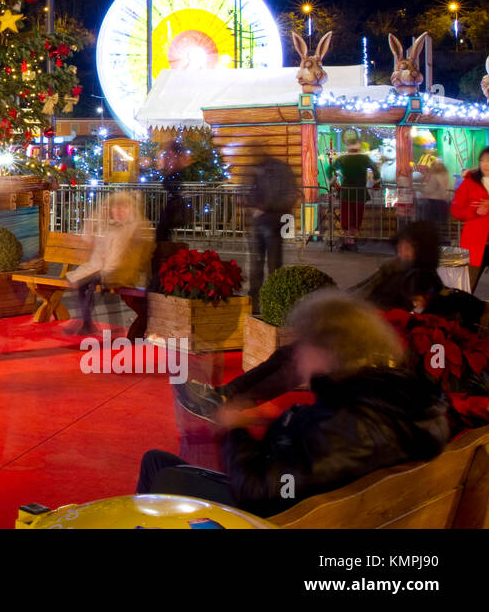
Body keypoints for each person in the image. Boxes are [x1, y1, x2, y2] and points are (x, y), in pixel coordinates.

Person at [140, 292, 449, 517]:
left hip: (273, 519)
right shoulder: (400, 403)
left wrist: (235, 430)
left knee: (159, 467)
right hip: (336, 514)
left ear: (329, 350)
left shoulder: (341, 422)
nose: (297, 354)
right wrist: (279, 424)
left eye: (304, 344)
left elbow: (256, 493)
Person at [178, 221, 446, 418]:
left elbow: (414, 321)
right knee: (285, 354)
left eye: (408, 246)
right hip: (351, 333)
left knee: (296, 364)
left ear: (421, 249)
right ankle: (223, 394)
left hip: (367, 347)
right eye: (402, 243)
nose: (402, 249)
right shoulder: (391, 270)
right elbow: (359, 296)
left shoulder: (420, 278)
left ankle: (230, 405)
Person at [61, 191, 154, 337]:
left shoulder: (137, 226)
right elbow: (88, 238)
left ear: (131, 209)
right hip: (104, 269)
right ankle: (85, 322)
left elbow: (138, 254)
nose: (118, 211)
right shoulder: (110, 227)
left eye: (123, 208)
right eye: (115, 208)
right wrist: (98, 215)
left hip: (124, 271)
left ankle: (82, 321)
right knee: (80, 283)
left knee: (90, 284)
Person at [244, 148, 299, 312]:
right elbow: (250, 192)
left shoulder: (278, 169)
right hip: (260, 221)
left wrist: (267, 206)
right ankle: (256, 301)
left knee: (273, 264)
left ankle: (274, 300)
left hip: (273, 222)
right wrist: (251, 202)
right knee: (257, 264)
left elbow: (289, 196)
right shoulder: (257, 169)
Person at [451, 146, 489, 291]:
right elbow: (456, 210)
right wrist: (475, 212)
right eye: (482, 160)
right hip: (475, 242)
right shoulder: (469, 182)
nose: (485, 164)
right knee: (467, 285)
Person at [328, 135, 375, 250]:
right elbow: (375, 169)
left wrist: (334, 182)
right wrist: (377, 182)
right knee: (354, 217)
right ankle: (350, 240)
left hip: (348, 193)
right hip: (357, 193)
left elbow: (330, 170)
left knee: (348, 217)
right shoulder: (363, 159)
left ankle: (349, 240)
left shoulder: (344, 158)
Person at [155, 141, 189, 242]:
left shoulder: (175, 167)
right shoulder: (174, 164)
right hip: (173, 203)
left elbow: (170, 184)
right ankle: (164, 248)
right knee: (163, 230)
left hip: (174, 204)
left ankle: (164, 250)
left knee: (163, 231)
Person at [416, 159, 451, 235]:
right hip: (443, 202)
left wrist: (419, 189)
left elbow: (430, 189)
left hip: (433, 202)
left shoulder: (435, 176)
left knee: (431, 225)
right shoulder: (445, 175)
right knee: (441, 226)